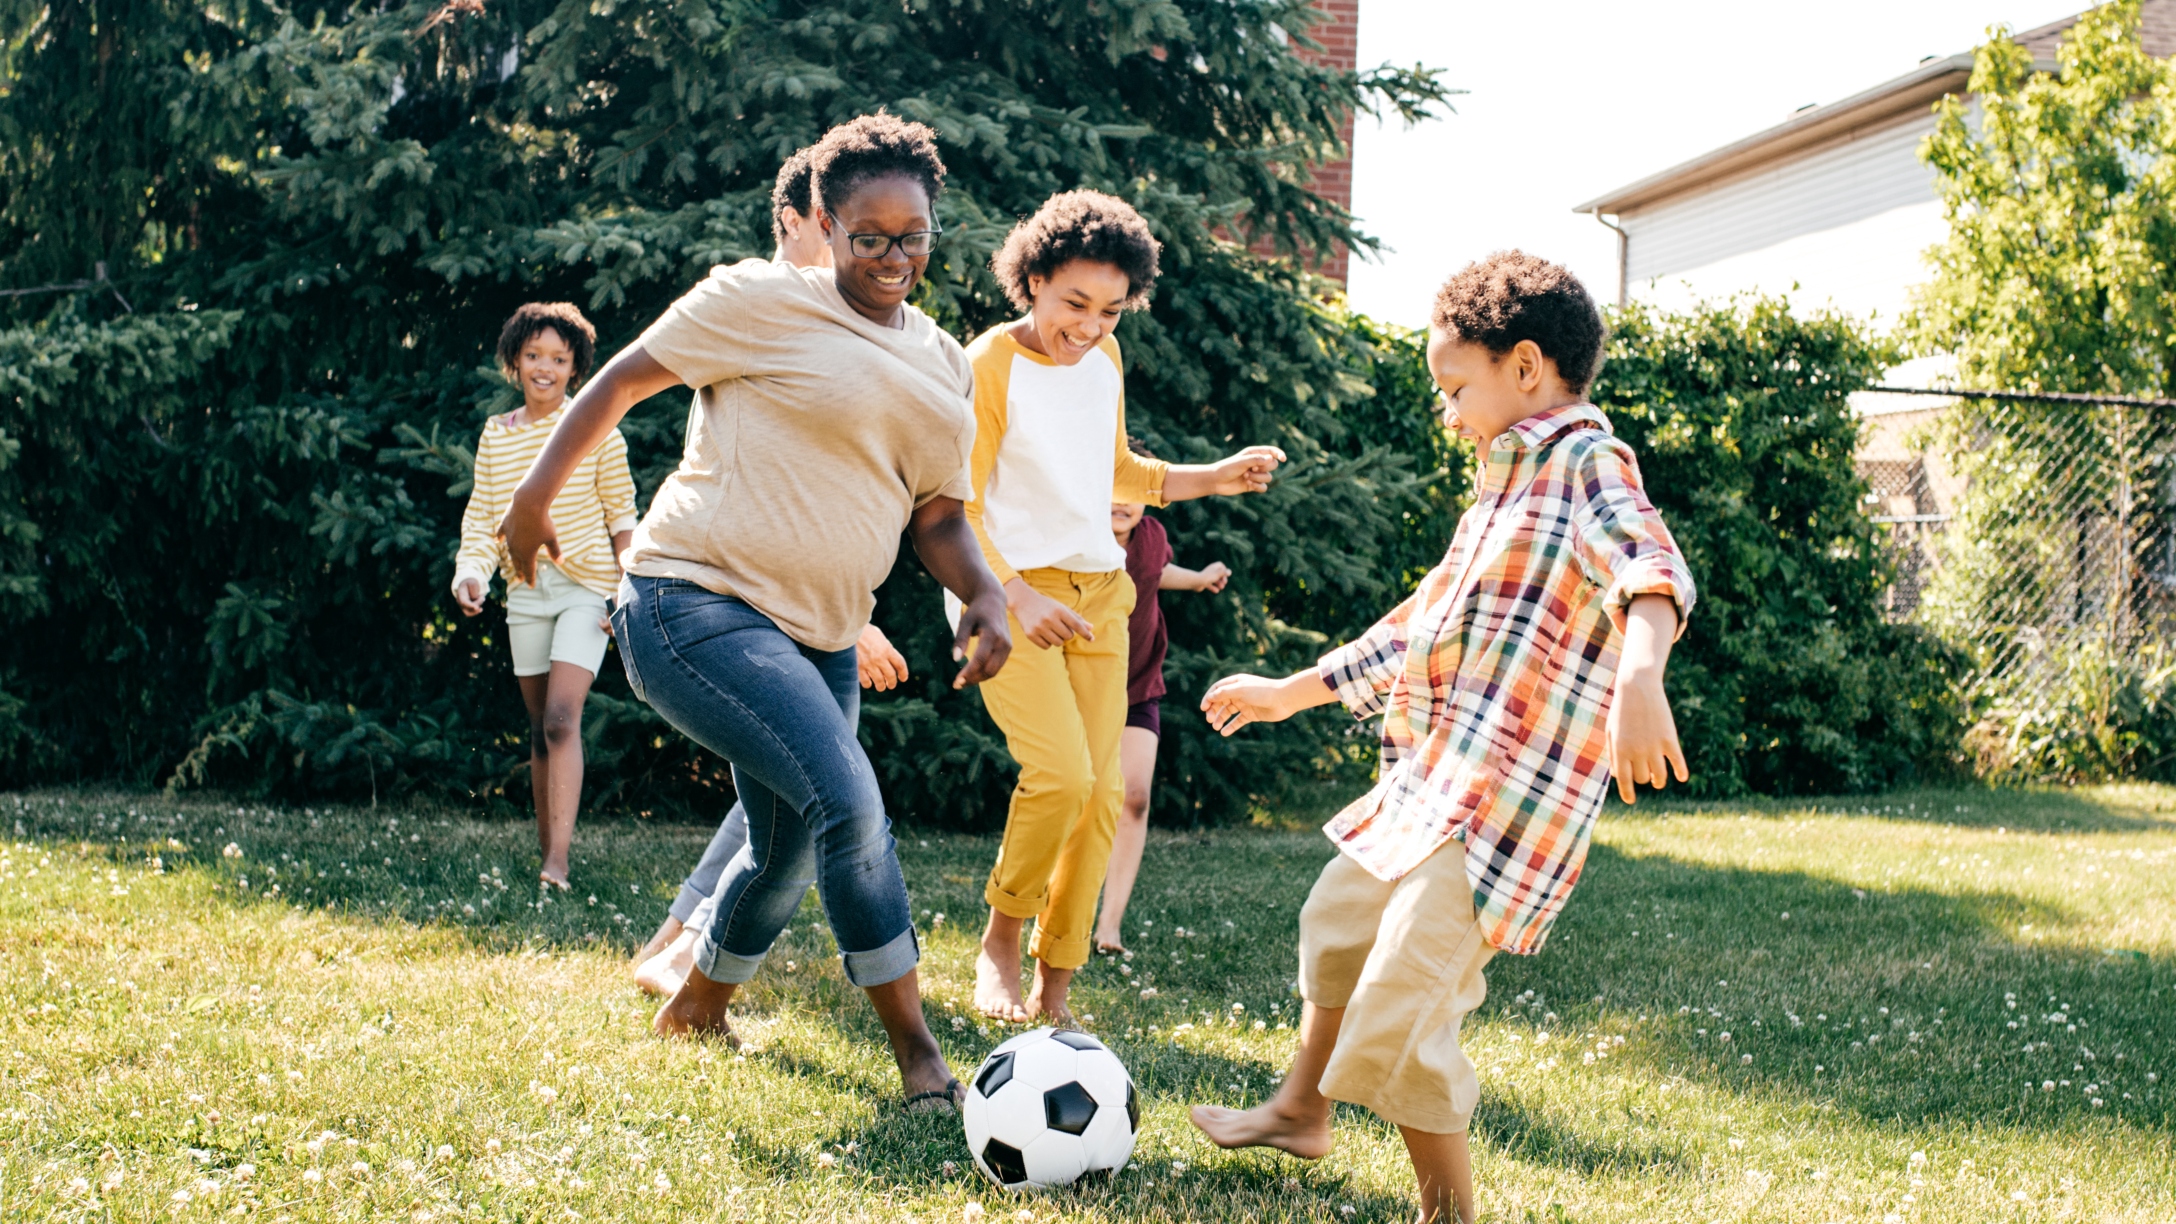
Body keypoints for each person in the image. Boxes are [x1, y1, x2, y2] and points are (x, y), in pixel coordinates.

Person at [499, 113, 1011, 1112]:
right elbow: (620, 382)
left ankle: (694, 1008)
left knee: (788, 848)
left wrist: (983, 592)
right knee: (849, 804)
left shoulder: (944, 361)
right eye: (869, 237)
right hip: (692, 602)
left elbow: (939, 516)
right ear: (824, 222)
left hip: (821, 635)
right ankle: (918, 1056)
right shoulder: (758, 300)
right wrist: (532, 495)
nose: (893, 258)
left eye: (912, 237)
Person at [1187, 251, 1697, 1224]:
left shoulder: (1585, 462)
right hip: (1432, 785)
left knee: (1403, 1005)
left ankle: (1447, 1213)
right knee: (1338, 925)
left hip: (1500, 810)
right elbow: (1423, 625)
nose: (1447, 411)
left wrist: (1641, 676)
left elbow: (1650, 565)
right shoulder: (1500, 489)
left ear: (1525, 367)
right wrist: (1294, 691)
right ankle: (1300, 1109)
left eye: (1455, 388)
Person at [959, 190, 1286, 1024]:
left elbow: (1115, 472)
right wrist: (1016, 594)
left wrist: (1213, 477)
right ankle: (1002, 936)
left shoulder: (1104, 360)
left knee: (1103, 795)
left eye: (1110, 310)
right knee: (1061, 775)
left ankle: (1056, 982)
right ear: (1032, 279)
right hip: (1007, 595)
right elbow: (958, 504)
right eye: (1075, 303)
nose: (1091, 326)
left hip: (1102, 597)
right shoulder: (989, 366)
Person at [629, 145, 913, 998]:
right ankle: (682, 946)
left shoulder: (863, 332)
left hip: (807, 612)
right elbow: (761, 488)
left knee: (789, 808)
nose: (865, 256)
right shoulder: (759, 305)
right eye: (846, 232)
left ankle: (685, 956)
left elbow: (843, 490)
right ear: (801, 222)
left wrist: (848, 611)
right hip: (715, 597)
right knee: (818, 784)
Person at [452, 302, 635, 891]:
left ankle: (559, 862)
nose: (545, 368)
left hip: (589, 588)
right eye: (534, 355)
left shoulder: (597, 427)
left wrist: (627, 591)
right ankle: (546, 857)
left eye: (558, 359)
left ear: (575, 367)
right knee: (539, 728)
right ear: (515, 361)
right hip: (526, 591)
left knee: (561, 718)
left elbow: (622, 520)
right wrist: (470, 572)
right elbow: (483, 518)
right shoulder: (497, 436)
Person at [1089, 470, 1231, 955]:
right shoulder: (1078, 535)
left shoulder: (1150, 537)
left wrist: (1199, 579)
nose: (1122, 503)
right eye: (1112, 490)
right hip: (1084, 686)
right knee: (1080, 797)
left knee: (1134, 798)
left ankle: (1109, 925)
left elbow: (1155, 571)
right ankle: (1059, 911)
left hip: (1138, 685)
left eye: (1132, 494)